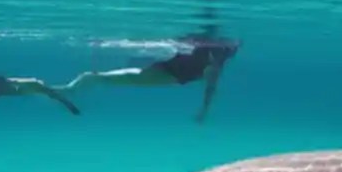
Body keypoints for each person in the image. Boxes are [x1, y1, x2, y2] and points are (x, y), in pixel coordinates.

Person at [67, 35, 240, 123]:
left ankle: (84, 80)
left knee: (131, 74)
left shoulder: (207, 53)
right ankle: (83, 81)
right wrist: (204, 111)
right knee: (127, 78)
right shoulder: (215, 63)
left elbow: (209, 85)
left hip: (166, 64)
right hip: (168, 74)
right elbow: (210, 89)